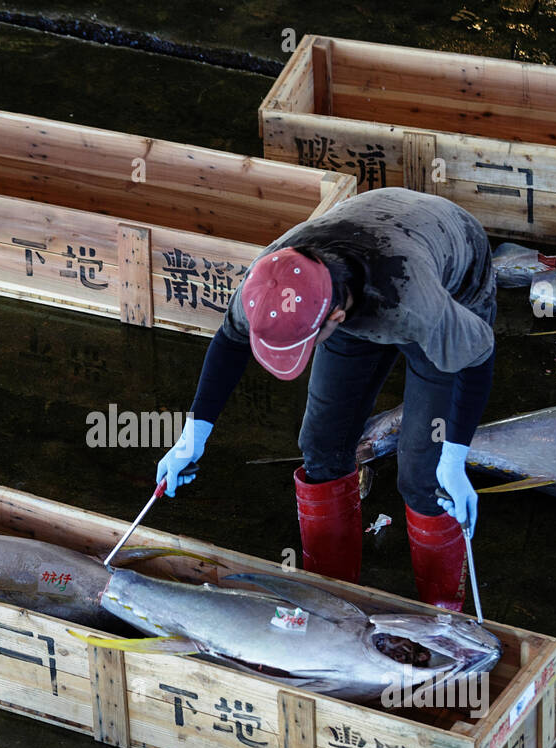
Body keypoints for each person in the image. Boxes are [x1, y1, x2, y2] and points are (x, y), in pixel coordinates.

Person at [155, 187, 496, 610]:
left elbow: (477, 360)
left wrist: (454, 458)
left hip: (447, 272)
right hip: (362, 261)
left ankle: (445, 616)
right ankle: (333, 601)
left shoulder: (413, 303)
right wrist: (193, 437)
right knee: (321, 448)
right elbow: (230, 340)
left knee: (424, 478)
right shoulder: (269, 281)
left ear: (333, 319)